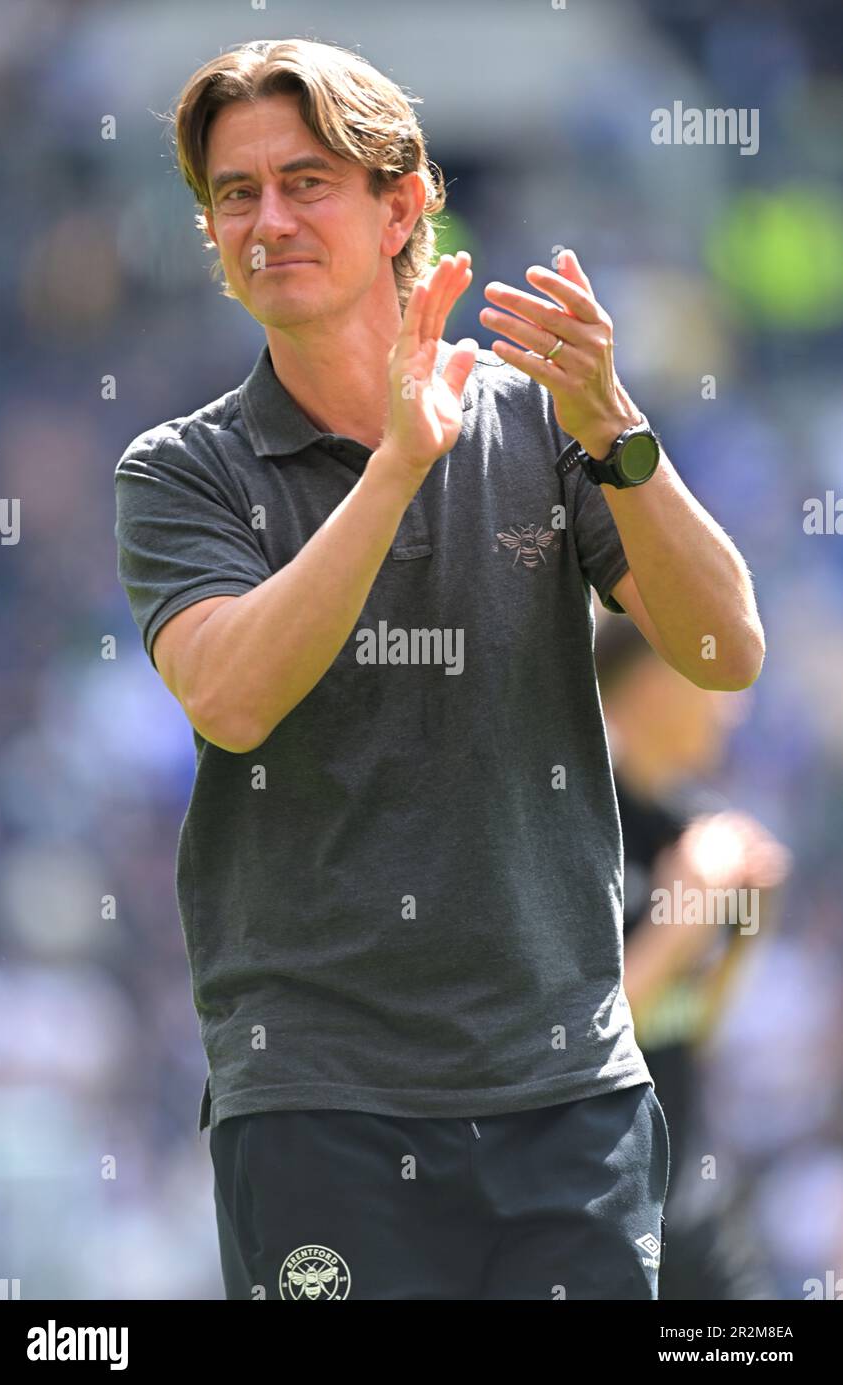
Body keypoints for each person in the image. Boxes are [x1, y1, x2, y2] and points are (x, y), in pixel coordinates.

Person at [114, 37, 766, 1300]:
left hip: (569, 1093)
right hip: (316, 1098)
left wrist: (617, 430)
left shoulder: (543, 426)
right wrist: (397, 464)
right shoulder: (178, 470)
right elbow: (234, 698)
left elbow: (719, 649)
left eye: (305, 181)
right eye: (234, 194)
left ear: (401, 205)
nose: (266, 218)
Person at [595, 614, 791, 1299]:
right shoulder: (578, 829)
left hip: (695, 1207)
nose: (735, 707)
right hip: (595, 1218)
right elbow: (574, 1038)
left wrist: (747, 934)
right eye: (716, 682)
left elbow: (686, 1028)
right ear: (652, 682)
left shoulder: (699, 831)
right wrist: (687, 911)